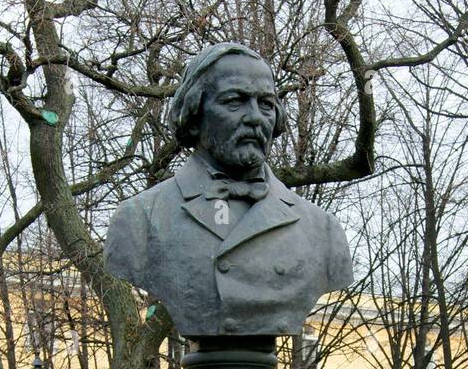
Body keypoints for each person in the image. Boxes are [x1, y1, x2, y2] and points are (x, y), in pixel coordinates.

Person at [104, 42, 353, 339]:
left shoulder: (323, 231)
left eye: (266, 104)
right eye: (234, 101)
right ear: (194, 115)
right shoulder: (139, 220)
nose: (255, 118)